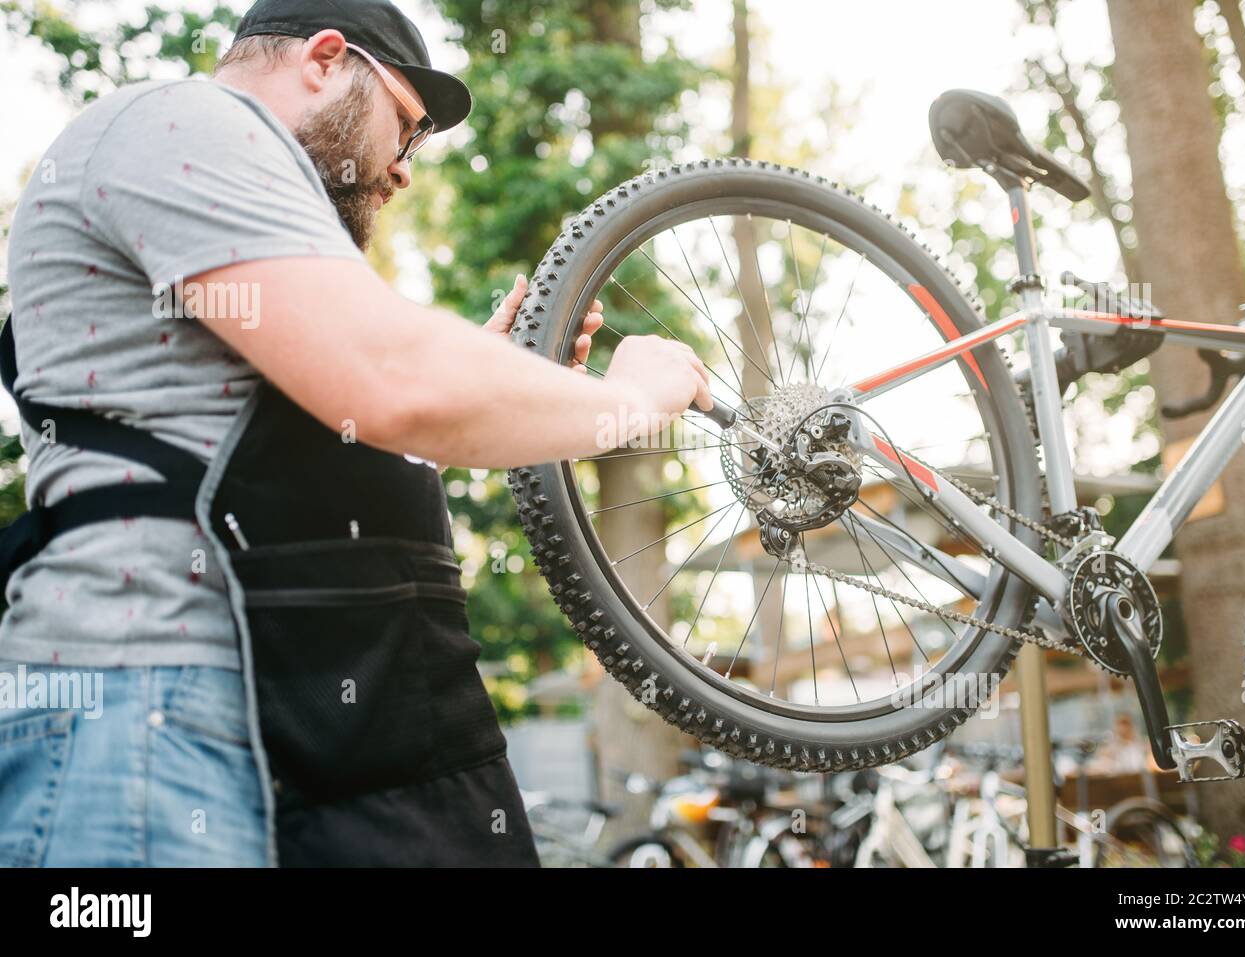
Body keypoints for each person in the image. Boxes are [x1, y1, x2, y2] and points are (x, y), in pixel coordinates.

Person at [0, 0, 711, 867]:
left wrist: (497, 374)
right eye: (406, 128)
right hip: (147, 709)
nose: (405, 171)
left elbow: (325, 437)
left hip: (252, 726)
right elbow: (392, 382)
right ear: (325, 59)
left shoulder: (214, 201)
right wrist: (631, 401)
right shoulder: (186, 122)